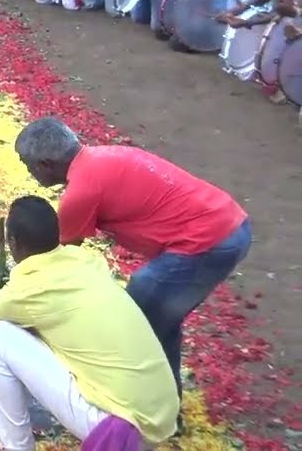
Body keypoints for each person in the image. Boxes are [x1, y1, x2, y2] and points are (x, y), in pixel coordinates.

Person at [0, 196, 179, 451]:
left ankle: (15, 446)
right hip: (160, 414)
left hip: (122, 430)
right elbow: (9, 296)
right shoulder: (82, 260)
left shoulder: (30, 289)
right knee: (22, 327)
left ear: (13, 243)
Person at [14, 118, 252, 391]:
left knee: (132, 324)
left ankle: (134, 408)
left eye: (27, 164)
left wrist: (27, 304)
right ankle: (166, 409)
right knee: (159, 319)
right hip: (231, 223)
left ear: (45, 164)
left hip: (210, 239)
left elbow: (58, 261)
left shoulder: (80, 191)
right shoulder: (103, 156)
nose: (29, 171)